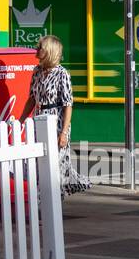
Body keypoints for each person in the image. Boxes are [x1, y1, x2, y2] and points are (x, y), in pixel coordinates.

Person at [18, 34, 91, 199]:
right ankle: (44, 198)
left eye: (40, 48)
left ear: (49, 51)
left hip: (56, 122)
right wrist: (21, 120)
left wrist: (64, 132)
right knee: (40, 162)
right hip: (39, 118)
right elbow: (31, 98)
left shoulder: (62, 74)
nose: (36, 50)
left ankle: (53, 200)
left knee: (55, 164)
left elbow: (68, 104)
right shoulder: (36, 71)